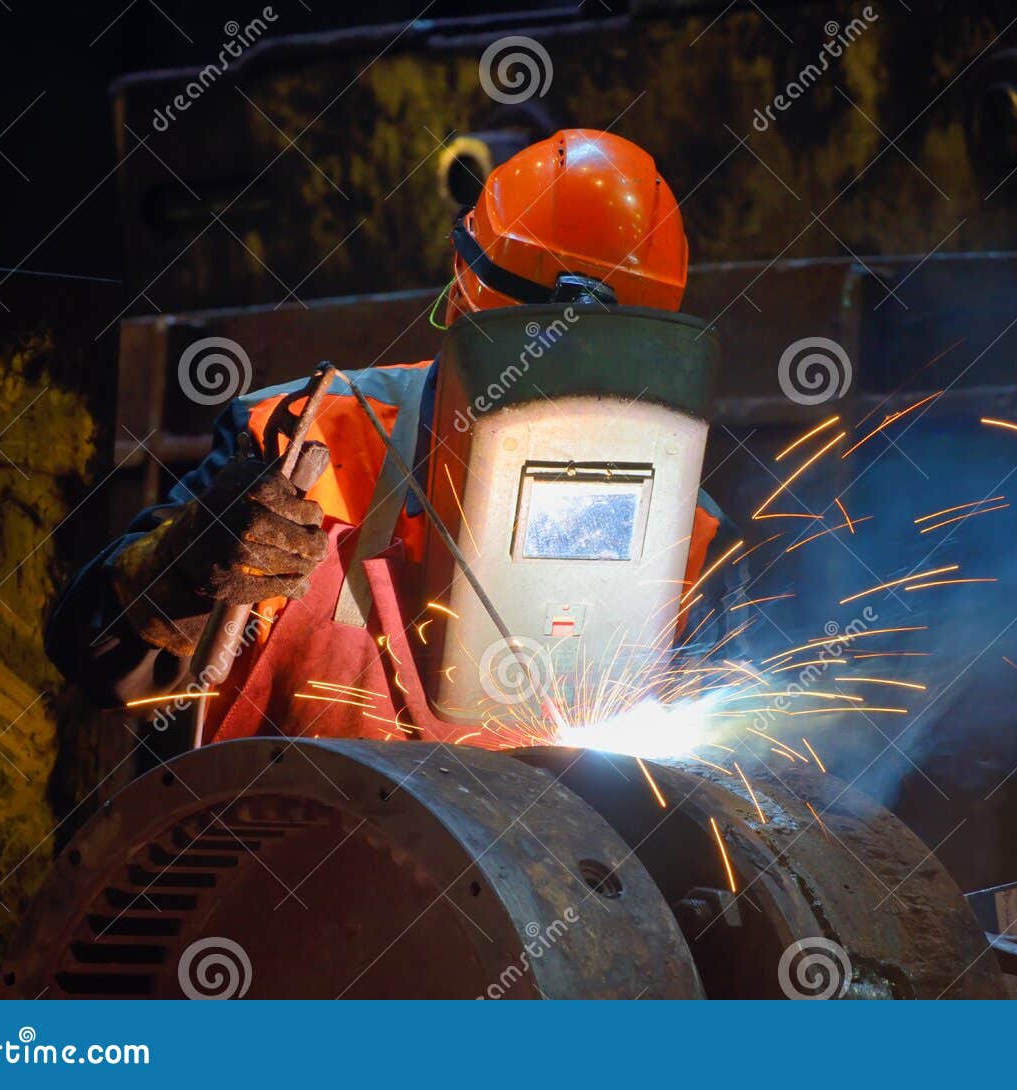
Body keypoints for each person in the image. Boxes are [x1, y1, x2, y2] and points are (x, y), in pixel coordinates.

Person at [46, 129, 738, 743]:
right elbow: (94, 657)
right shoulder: (301, 442)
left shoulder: (689, 542)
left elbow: (707, 794)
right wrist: (182, 571)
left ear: (466, 277)